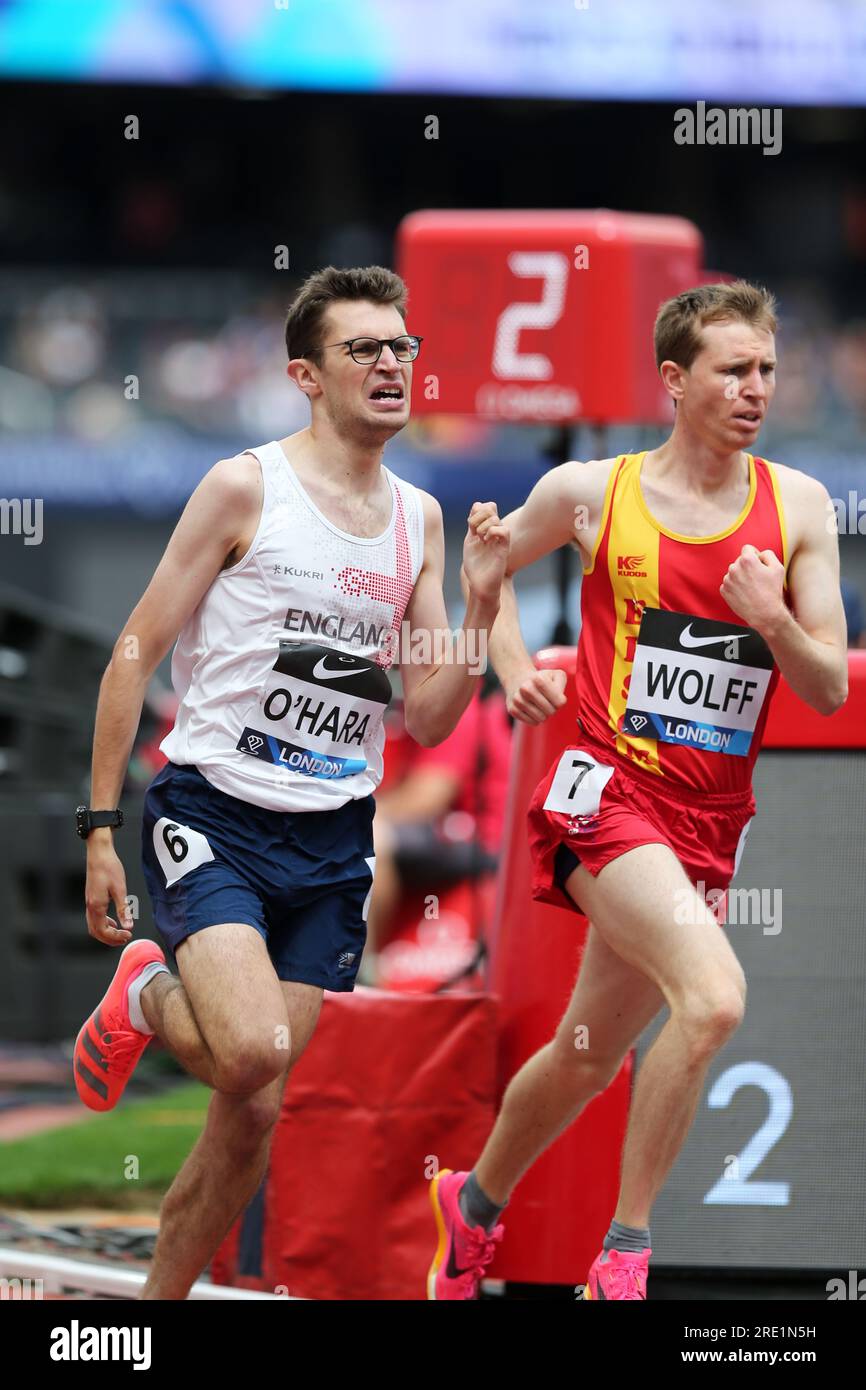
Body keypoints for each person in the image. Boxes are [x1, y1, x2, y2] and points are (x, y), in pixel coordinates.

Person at [72, 265, 509, 1300]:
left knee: (255, 1102)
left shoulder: (417, 518)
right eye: (365, 349)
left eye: (401, 348)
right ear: (304, 375)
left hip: (329, 840)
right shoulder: (243, 487)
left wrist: (482, 608)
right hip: (214, 813)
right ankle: (147, 982)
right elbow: (134, 650)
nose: (391, 365)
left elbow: (432, 713)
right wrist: (99, 825)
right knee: (256, 1049)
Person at [427, 280, 848, 1301]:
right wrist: (513, 660)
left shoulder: (795, 506)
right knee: (709, 1001)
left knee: (584, 1050)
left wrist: (773, 617)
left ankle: (469, 1207)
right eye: (731, 370)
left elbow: (827, 685)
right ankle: (622, 1251)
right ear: (672, 379)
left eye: (765, 370)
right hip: (602, 798)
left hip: (706, 825)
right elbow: (482, 571)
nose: (755, 389)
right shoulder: (589, 492)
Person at [365, 675, 512, 966]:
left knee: (368, 835)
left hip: (478, 839)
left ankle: (360, 971)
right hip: (434, 831)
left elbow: (429, 798)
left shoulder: (453, 697)